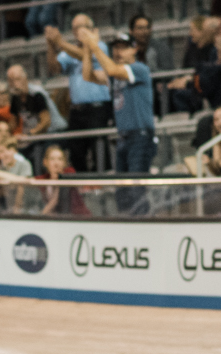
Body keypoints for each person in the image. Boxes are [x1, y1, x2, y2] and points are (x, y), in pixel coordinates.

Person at [79, 30, 157, 176]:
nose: (118, 52)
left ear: (134, 49)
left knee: (136, 186)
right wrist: (87, 49)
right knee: (122, 188)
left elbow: (112, 70)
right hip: (123, 136)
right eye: (115, 48)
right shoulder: (114, 76)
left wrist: (94, 46)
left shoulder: (139, 69)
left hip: (140, 135)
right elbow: (87, 75)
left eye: (123, 48)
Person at [47, 15, 112, 172]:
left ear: (91, 29)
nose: (77, 31)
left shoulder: (100, 47)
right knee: (76, 150)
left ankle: (103, 184)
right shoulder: (68, 52)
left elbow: (84, 55)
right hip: (77, 109)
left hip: (98, 107)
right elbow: (54, 68)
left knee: (99, 148)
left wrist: (60, 43)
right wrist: (50, 44)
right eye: (74, 27)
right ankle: (81, 185)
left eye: (81, 26)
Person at [34, 145, 89, 215]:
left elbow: (56, 200)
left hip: (75, 218)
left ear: (64, 163)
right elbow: (29, 180)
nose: (56, 163)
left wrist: (43, 214)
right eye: (52, 159)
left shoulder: (69, 173)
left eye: (60, 159)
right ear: (45, 162)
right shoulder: (44, 179)